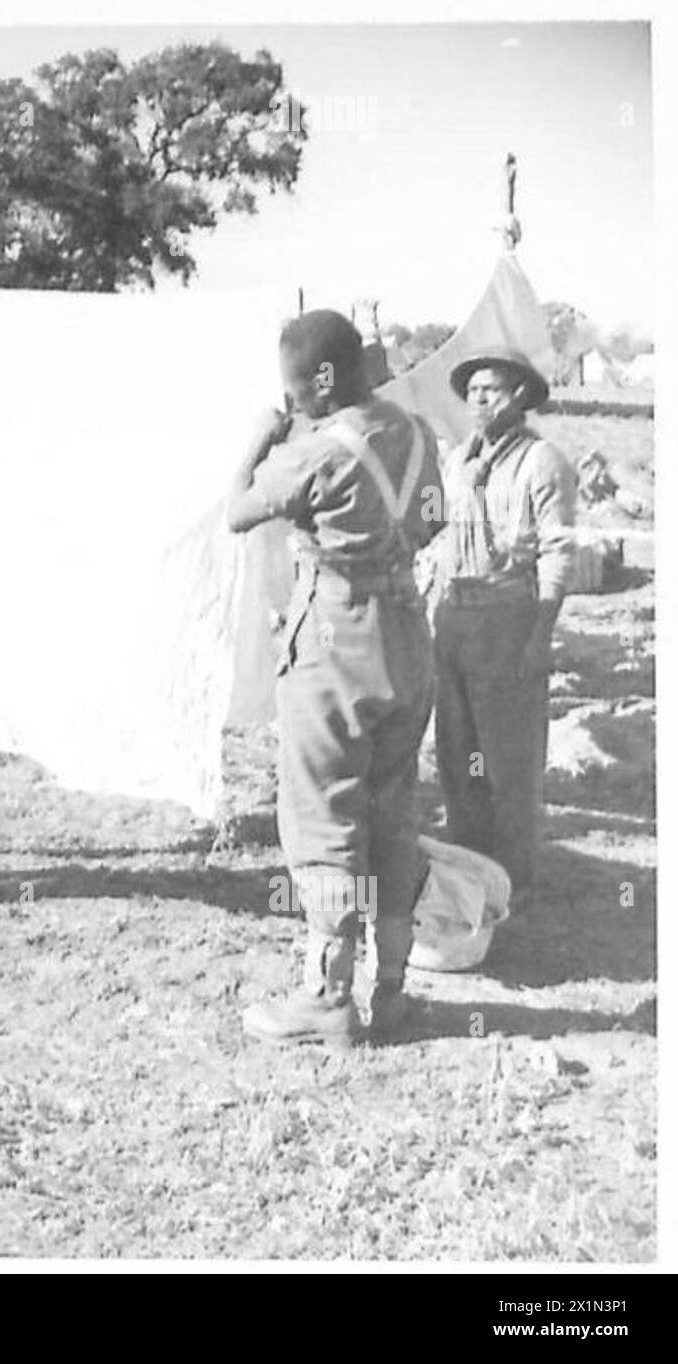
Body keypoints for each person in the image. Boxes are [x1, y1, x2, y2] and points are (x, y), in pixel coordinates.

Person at [227, 310, 443, 1044]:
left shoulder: (311, 451)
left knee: (324, 817)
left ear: (320, 383)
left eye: (296, 391)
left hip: (334, 638)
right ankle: (393, 991)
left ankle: (327, 997)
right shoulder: (418, 435)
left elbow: (237, 513)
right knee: (392, 809)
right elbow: (430, 523)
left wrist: (260, 441)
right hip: (408, 634)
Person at [431, 346, 576, 918]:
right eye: (472, 391)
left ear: (519, 395)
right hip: (455, 617)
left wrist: (539, 635)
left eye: (491, 389)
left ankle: (516, 877)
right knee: (458, 748)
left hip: (508, 617)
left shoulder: (542, 461)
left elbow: (557, 552)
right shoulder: (457, 462)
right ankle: (470, 859)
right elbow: (437, 531)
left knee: (507, 756)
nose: (479, 400)